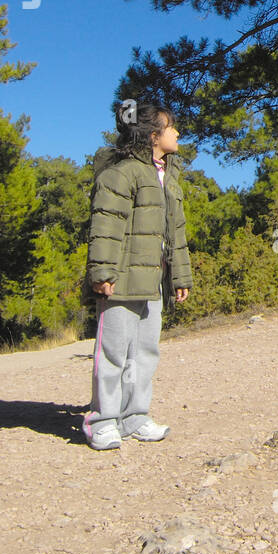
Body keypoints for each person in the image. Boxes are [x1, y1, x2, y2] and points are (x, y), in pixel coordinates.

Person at [83, 100, 192, 450]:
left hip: (152, 283)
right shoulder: (123, 172)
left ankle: (134, 418)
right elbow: (105, 224)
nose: (177, 132)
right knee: (112, 353)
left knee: (145, 353)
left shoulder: (168, 177)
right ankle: (103, 422)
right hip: (120, 279)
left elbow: (176, 230)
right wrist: (102, 271)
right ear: (152, 135)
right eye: (170, 126)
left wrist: (179, 277)